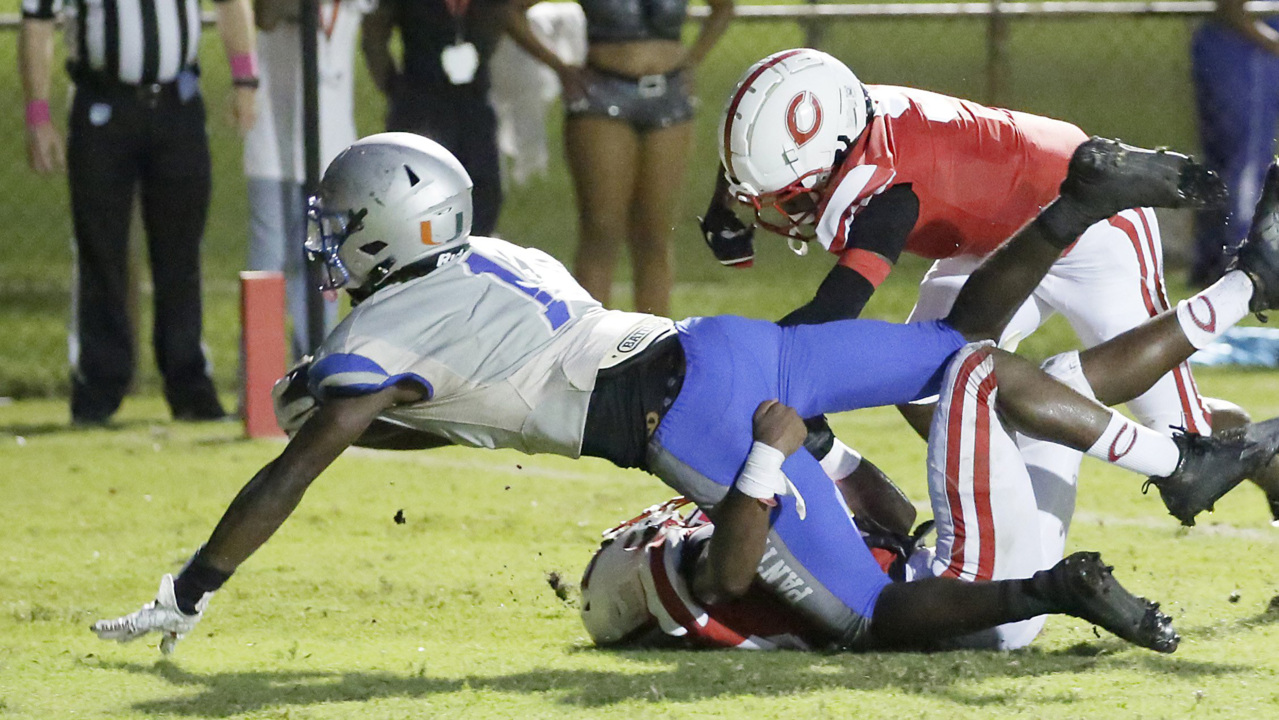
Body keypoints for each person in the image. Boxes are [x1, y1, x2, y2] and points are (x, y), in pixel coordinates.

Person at [89, 132, 1279, 656]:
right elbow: (438, 411)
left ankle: (1055, 589)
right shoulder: (499, 259)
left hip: (692, 420)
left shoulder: (390, 321)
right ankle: (1176, 419)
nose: (333, 252)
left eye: (343, 231)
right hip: (731, 347)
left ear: (389, 230)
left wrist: (192, 587)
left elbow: (308, 458)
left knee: (868, 619)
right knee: (966, 354)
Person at [700, 48, 1279, 536]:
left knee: (1186, 432)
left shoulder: (886, 189)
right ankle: (1001, 493)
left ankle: (1271, 463)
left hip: (1090, 233)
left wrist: (743, 358)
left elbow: (833, 318)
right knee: (923, 382)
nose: (787, 211)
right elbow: (768, 152)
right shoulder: (843, 111)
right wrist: (725, 203)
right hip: (997, 244)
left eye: (793, 197)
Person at [20, 0, 258, 425]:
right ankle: (98, 386)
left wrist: (244, 78)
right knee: (100, 252)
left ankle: (189, 386)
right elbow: (36, 23)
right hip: (102, 102)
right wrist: (38, 114)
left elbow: (230, 3)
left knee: (181, 252)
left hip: (176, 104)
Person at [505, 0, 734, 315]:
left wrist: (692, 61)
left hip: (669, 100)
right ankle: (590, 349)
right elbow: (508, 11)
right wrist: (560, 67)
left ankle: (652, 348)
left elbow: (724, 7)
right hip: (602, 97)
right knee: (601, 232)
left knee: (656, 236)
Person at [243, 0, 372, 358]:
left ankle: (316, 366)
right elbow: (264, 16)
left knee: (324, 261)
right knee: (268, 260)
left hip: (332, 143)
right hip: (272, 141)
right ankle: (258, 375)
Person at [362, 0, 509, 236]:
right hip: (420, 101)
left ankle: (472, 250)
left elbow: (499, 19)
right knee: (418, 192)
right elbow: (374, 35)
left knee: (483, 187)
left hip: (473, 100)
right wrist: (394, 87)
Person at [1189, 0, 1279, 285]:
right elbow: (1230, 7)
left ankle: (1213, 261)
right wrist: (1269, 40)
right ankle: (1241, 262)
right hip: (1243, 45)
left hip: (1242, 43)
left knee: (1229, 163)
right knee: (1247, 159)